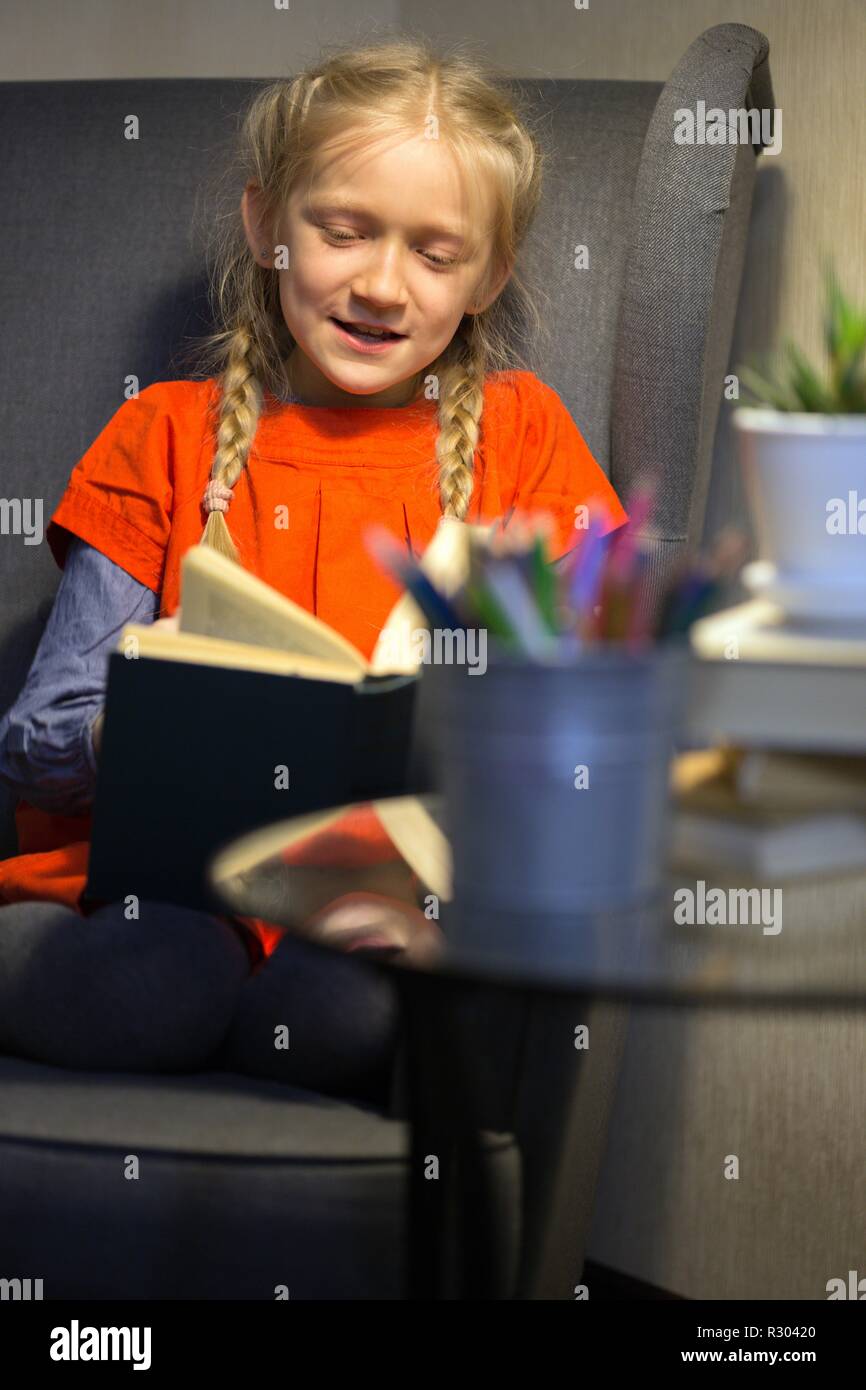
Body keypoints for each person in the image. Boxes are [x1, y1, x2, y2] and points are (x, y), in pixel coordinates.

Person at [0, 36, 628, 1103]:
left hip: (366, 908)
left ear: (488, 276)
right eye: (341, 232)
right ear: (265, 227)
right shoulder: (164, 433)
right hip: (144, 895)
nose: (382, 284)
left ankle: (252, 1015)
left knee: (349, 1009)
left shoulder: (523, 440)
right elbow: (30, 746)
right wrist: (140, 723)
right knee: (159, 974)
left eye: (436, 255)